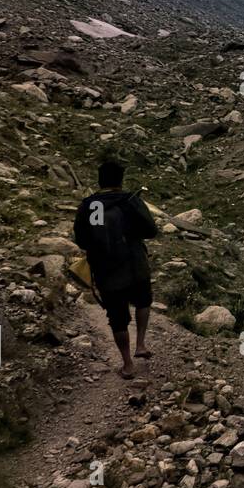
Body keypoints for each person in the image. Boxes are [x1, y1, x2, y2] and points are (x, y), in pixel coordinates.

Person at [73, 159, 158, 379]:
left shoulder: (92, 205)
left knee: (117, 318)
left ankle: (128, 364)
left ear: (100, 181)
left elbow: (83, 240)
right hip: (135, 263)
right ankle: (141, 344)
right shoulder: (131, 200)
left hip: (107, 270)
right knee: (143, 301)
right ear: (120, 180)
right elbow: (151, 230)